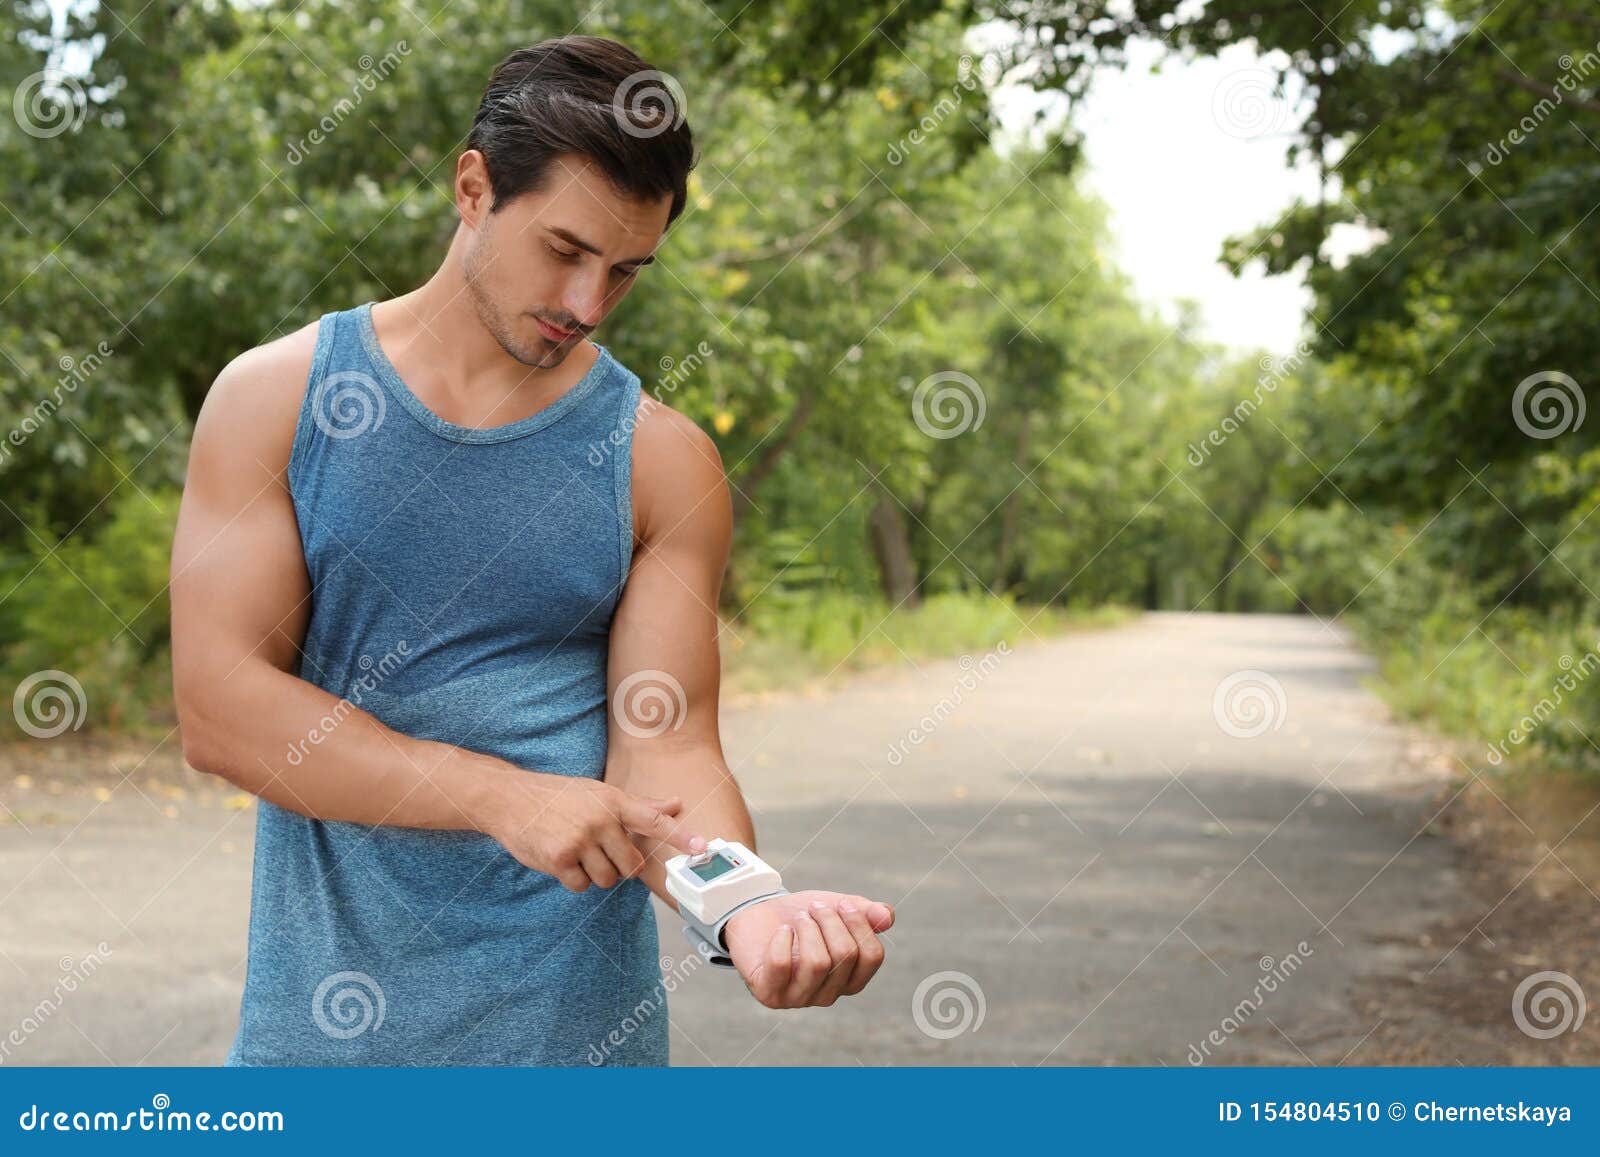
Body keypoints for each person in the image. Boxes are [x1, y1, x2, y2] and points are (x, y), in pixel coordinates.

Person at [169, 35, 894, 1066]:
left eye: (626, 272)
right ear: (474, 188)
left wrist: (745, 907)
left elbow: (669, 741)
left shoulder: (662, 460)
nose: (589, 303)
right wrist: (501, 794)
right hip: (321, 1056)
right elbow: (221, 708)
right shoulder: (274, 401)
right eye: (564, 249)